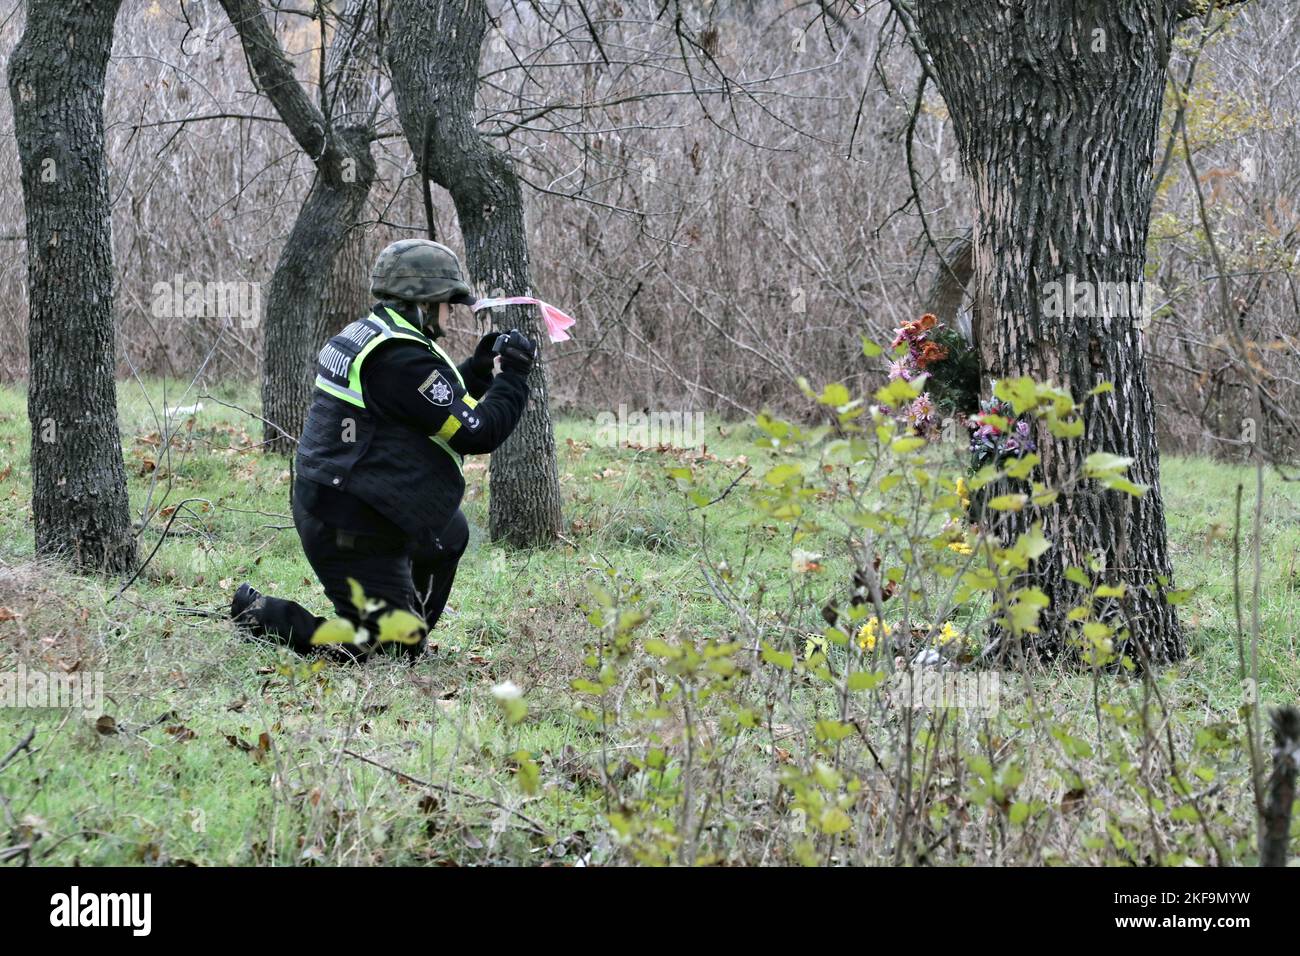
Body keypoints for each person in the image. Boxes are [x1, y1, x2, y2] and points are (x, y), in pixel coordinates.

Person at [229, 239, 536, 661]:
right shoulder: (399, 358)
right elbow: (477, 433)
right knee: (388, 655)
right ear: (424, 302)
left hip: (349, 504)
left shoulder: (376, 337)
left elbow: (419, 403)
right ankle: (260, 613)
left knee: (448, 533)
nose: (452, 311)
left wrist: (480, 372)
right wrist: (514, 377)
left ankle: (403, 626)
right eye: (448, 302)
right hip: (348, 527)